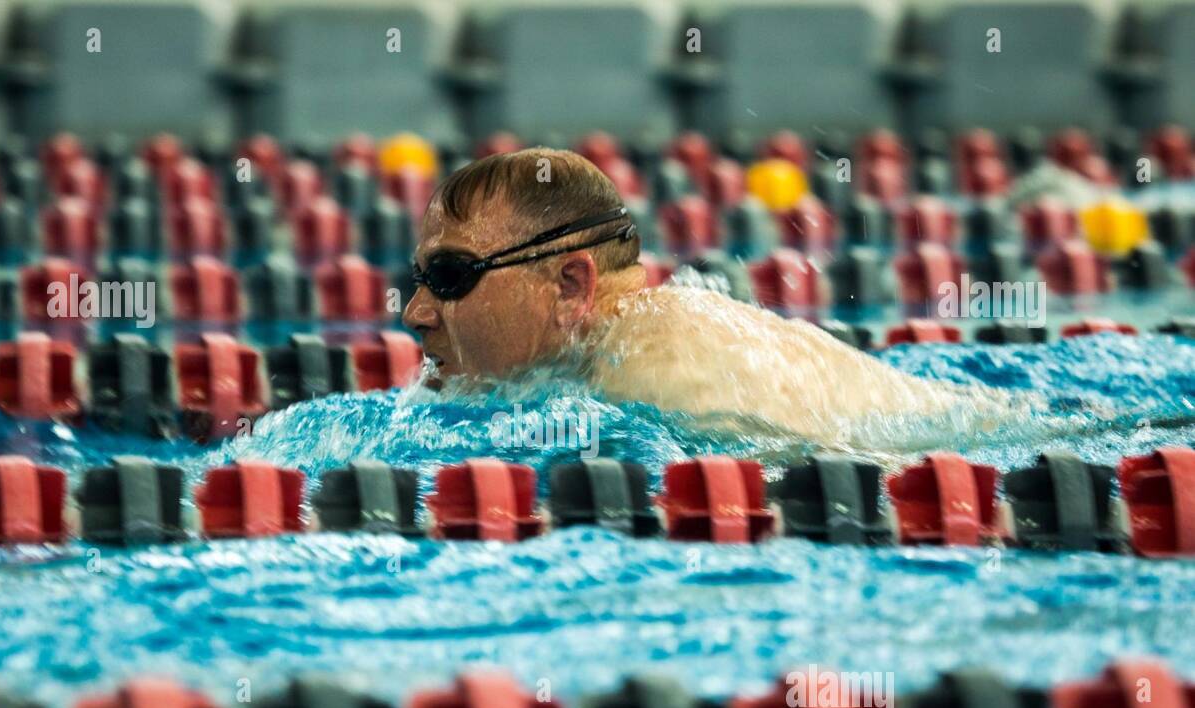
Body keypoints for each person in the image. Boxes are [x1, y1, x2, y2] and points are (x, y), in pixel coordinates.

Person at [403, 148, 1011, 443]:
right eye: (421, 279)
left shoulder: (663, 373)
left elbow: (848, 497)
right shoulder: (606, 357)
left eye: (451, 276)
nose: (415, 312)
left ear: (570, 287)